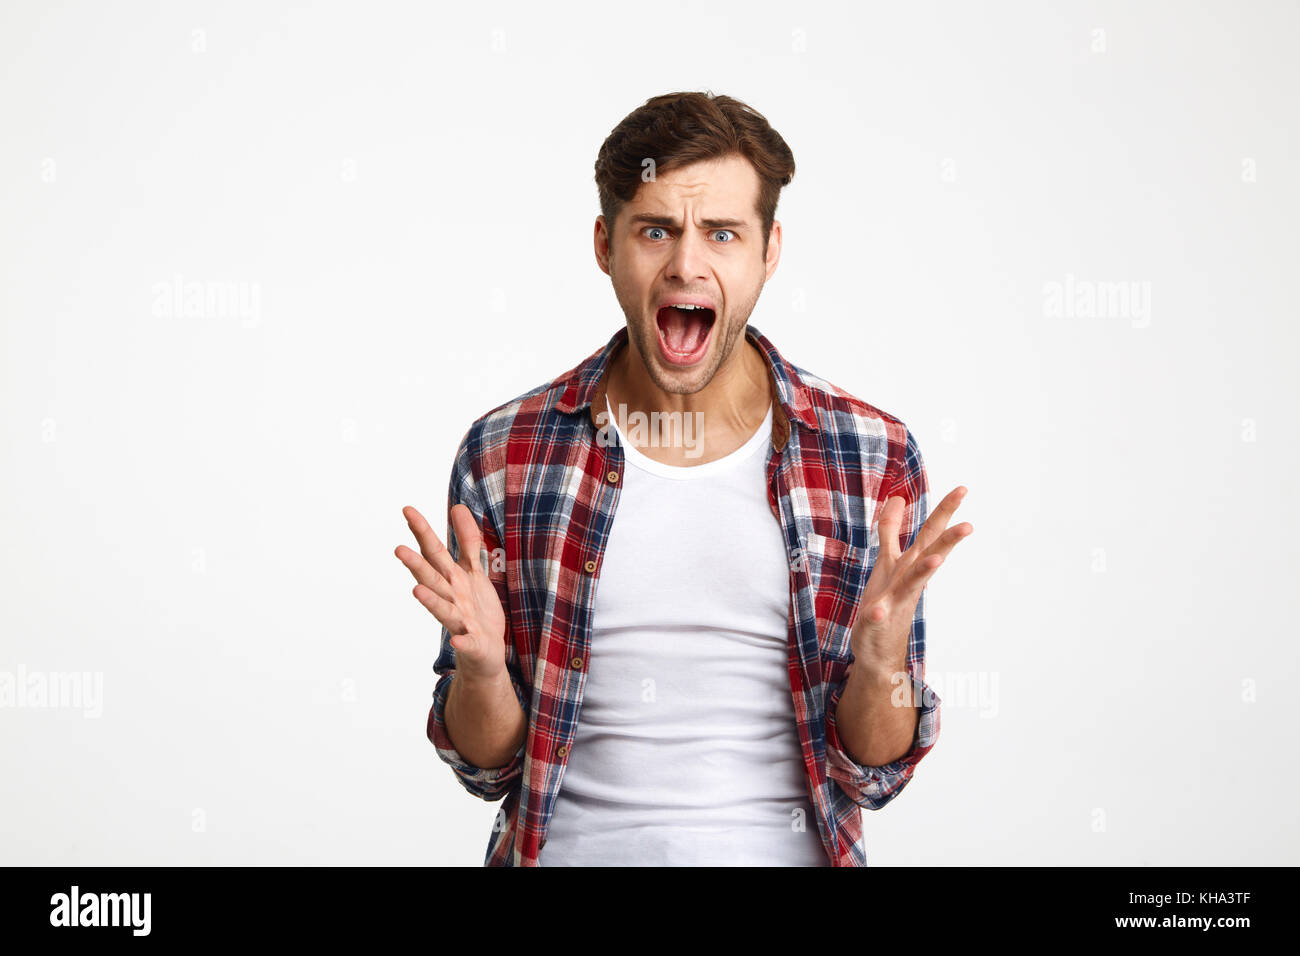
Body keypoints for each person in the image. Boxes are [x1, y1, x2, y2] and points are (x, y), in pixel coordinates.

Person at [394, 91, 973, 866]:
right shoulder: (509, 451)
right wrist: (484, 669)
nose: (686, 263)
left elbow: (872, 772)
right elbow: (486, 764)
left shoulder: (869, 456)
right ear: (606, 245)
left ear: (769, 251)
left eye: (723, 233)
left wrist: (878, 665)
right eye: (656, 230)